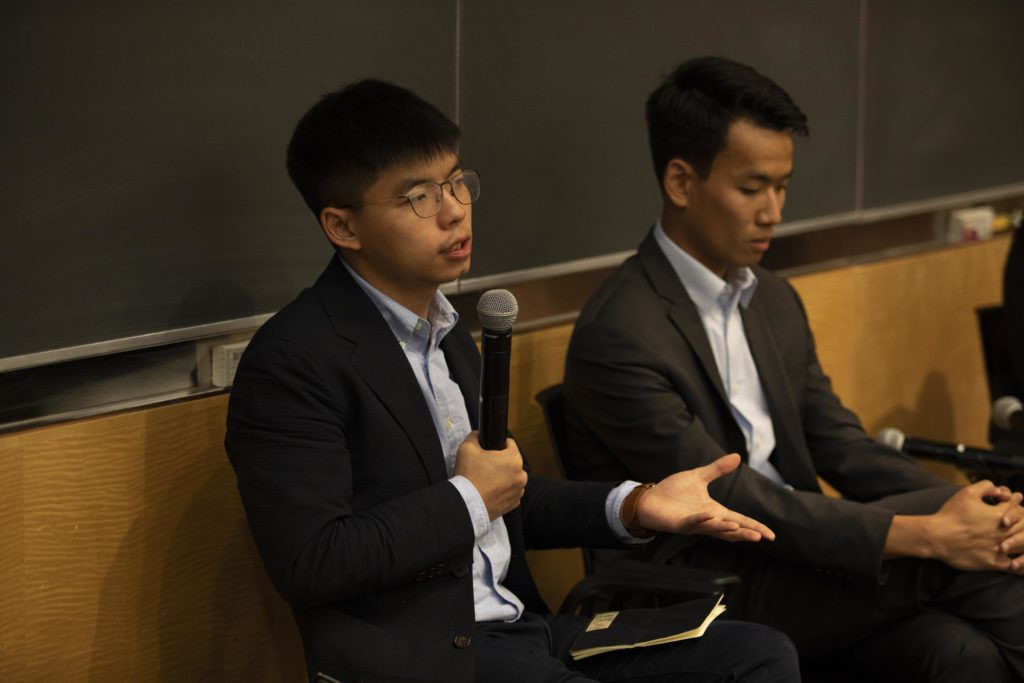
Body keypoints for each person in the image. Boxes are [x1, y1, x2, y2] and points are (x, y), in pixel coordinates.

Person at [225, 78, 800, 683]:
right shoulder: (294, 360)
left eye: (455, 181)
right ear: (342, 226)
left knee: (756, 655)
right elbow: (313, 560)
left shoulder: (446, 329)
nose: (453, 210)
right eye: (417, 197)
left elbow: (505, 493)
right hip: (428, 655)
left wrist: (633, 504)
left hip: (522, 630)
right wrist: (468, 498)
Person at [563, 56, 1024, 682]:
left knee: (954, 651)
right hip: (707, 585)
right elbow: (728, 498)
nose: (774, 211)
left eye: (783, 186)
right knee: (960, 559)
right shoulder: (619, 331)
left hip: (803, 561)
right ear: (680, 182)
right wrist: (924, 533)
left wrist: (970, 506)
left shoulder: (772, 298)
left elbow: (843, 445)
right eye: (751, 188)